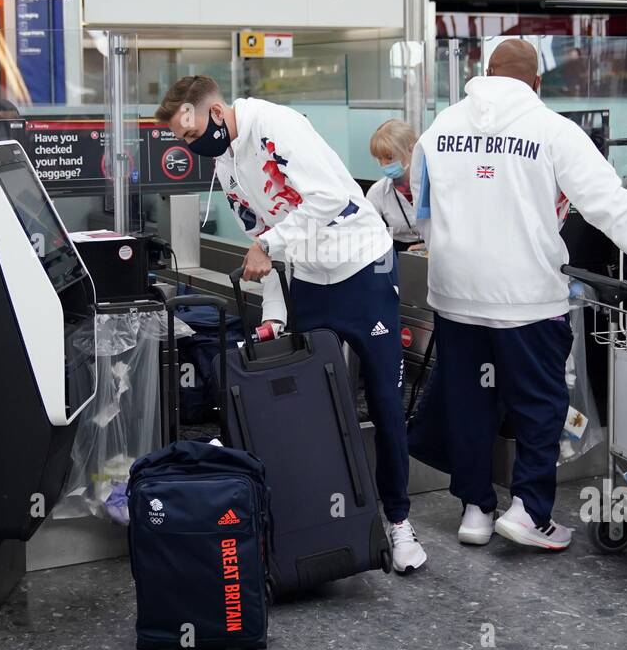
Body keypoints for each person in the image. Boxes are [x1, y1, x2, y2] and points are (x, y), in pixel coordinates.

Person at [411, 40, 627, 552]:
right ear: (537, 83)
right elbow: (612, 209)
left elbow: (423, 208)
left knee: (467, 402)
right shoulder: (554, 132)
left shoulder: (439, 128)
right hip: (526, 297)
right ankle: (529, 511)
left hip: (456, 294)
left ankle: (474, 509)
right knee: (541, 404)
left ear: (484, 73)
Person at [153, 76, 428, 573]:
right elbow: (264, 239)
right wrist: (275, 315)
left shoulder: (277, 127)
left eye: (190, 136)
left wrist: (269, 246)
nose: (189, 147)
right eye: (182, 141)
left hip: (362, 268)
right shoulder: (227, 165)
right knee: (310, 405)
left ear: (215, 113)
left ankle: (400, 521)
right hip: (308, 278)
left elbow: (330, 201)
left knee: (386, 401)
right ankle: (326, 519)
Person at [366, 120, 425, 253]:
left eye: (389, 157)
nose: (384, 164)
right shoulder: (377, 192)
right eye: (379, 158)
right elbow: (368, 234)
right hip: (396, 253)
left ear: (411, 149)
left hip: (437, 250)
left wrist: (428, 247)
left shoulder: (434, 184)